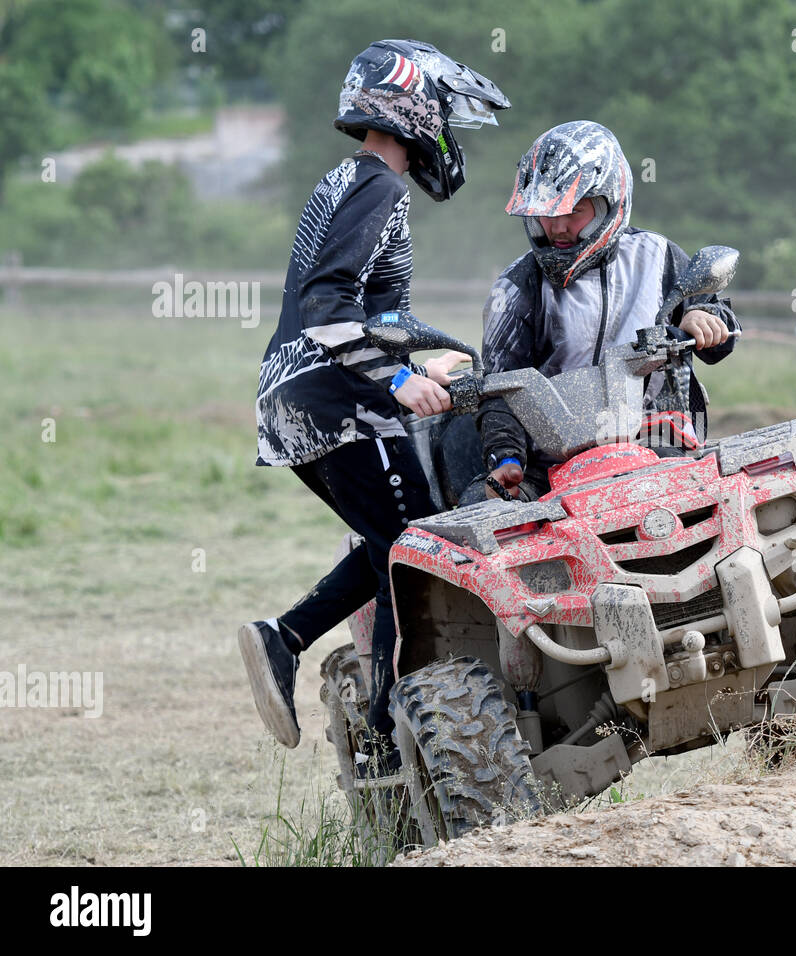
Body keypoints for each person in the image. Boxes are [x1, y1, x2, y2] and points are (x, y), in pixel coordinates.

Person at [236, 39, 508, 776]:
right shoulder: (379, 187)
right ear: (414, 106)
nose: (449, 129)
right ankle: (393, 741)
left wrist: (418, 364)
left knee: (394, 538)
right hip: (337, 401)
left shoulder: (347, 180)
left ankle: (288, 640)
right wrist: (393, 384)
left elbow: (357, 314)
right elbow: (329, 305)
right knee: (413, 550)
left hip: (294, 394)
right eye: (446, 111)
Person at [464, 121, 739, 503]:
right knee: (478, 512)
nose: (557, 225)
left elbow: (720, 339)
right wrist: (507, 457)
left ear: (609, 203)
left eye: (573, 210)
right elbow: (499, 392)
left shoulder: (659, 258)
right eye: (546, 211)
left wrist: (704, 319)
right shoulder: (516, 288)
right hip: (549, 469)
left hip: (656, 443)